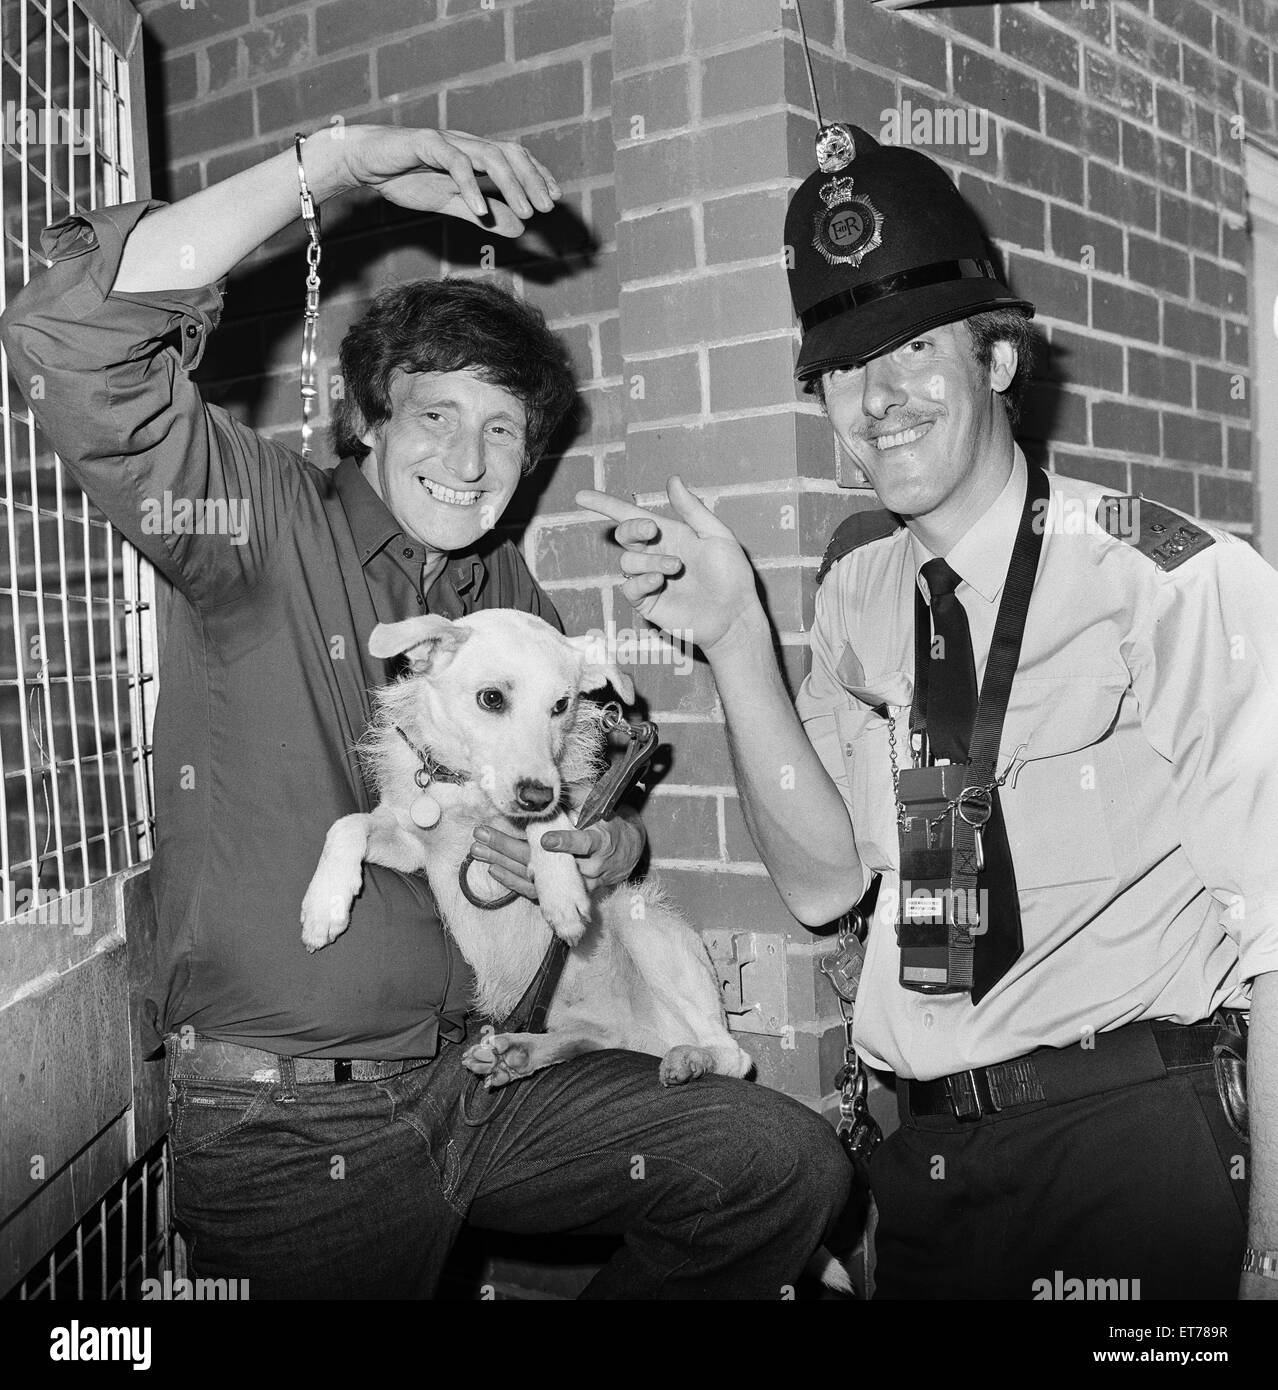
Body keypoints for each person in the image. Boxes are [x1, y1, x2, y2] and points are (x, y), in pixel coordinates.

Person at [0, 121, 850, 1299]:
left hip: (484, 1085)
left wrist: (603, 843)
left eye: (504, 427)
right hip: (293, 1122)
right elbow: (68, 336)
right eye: (435, 414)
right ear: (368, 420)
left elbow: (604, 793)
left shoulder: (507, 593)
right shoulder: (257, 522)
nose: (470, 453)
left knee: (775, 1162)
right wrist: (332, 167)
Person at [580, 122, 1278, 1300]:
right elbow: (823, 882)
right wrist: (741, 643)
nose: (878, 396)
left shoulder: (1174, 579)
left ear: (999, 360)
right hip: (932, 1171)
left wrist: (1268, 1259)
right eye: (846, 365)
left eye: (914, 347)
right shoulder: (858, 596)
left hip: (1129, 1153)